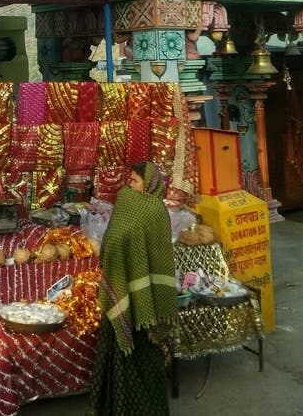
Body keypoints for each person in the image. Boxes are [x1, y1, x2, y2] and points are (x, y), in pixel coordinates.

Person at [87, 162, 177, 416]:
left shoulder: (155, 212)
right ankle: (115, 407)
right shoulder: (127, 205)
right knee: (116, 353)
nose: (129, 186)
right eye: (129, 181)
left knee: (143, 358)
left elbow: (160, 258)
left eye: (135, 182)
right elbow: (114, 239)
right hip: (120, 289)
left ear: (149, 185)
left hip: (146, 305)